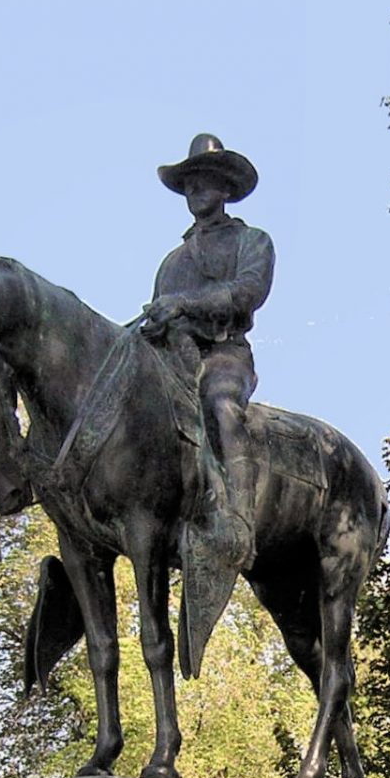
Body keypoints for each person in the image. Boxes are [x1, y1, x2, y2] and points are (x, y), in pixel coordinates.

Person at [141, 134, 274, 569]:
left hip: (223, 354)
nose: (195, 191)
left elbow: (248, 291)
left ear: (225, 189)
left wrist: (183, 304)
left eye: (205, 181)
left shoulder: (251, 241)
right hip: (172, 360)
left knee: (220, 404)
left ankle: (238, 519)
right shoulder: (170, 261)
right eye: (189, 184)